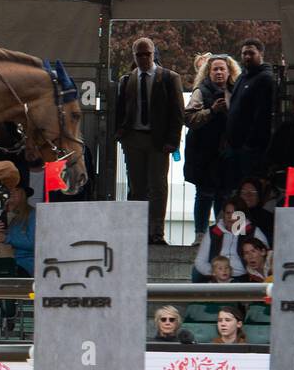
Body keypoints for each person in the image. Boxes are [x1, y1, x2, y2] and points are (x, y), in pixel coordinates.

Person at [114, 38, 185, 245]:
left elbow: (177, 112)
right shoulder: (127, 80)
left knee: (158, 187)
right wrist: (121, 133)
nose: (144, 58)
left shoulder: (170, 78)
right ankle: (138, 230)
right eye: (140, 54)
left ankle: (157, 232)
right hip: (134, 137)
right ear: (134, 56)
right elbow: (120, 109)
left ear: (154, 54)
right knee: (137, 187)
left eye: (147, 54)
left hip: (159, 140)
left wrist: (173, 140)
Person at [182, 53, 238, 239]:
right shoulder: (201, 92)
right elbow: (188, 118)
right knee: (204, 194)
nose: (219, 72)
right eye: (215, 69)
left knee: (225, 195)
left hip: (228, 154)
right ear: (208, 72)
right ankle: (200, 235)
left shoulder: (237, 91)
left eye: (222, 68)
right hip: (203, 154)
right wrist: (212, 111)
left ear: (230, 71)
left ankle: (225, 234)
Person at [225, 39, 276, 187]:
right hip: (234, 148)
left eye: (251, 53)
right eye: (244, 53)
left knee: (249, 191)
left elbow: (262, 116)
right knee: (235, 192)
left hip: (250, 151)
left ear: (261, 54)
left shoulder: (265, 79)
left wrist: (250, 145)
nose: (247, 56)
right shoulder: (242, 77)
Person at [192, 197, 268, 281]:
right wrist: (216, 273)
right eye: (228, 213)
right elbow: (200, 261)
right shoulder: (213, 231)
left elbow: (265, 257)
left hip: (243, 277)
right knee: (196, 272)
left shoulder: (252, 231)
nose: (230, 217)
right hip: (215, 276)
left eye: (235, 213)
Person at [0, 182, 36, 275]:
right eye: (9, 190)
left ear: (24, 195)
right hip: (5, 262)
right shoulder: (2, 214)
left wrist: (6, 238)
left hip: (24, 266)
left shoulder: (33, 214)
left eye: (16, 190)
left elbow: (34, 243)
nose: (12, 193)